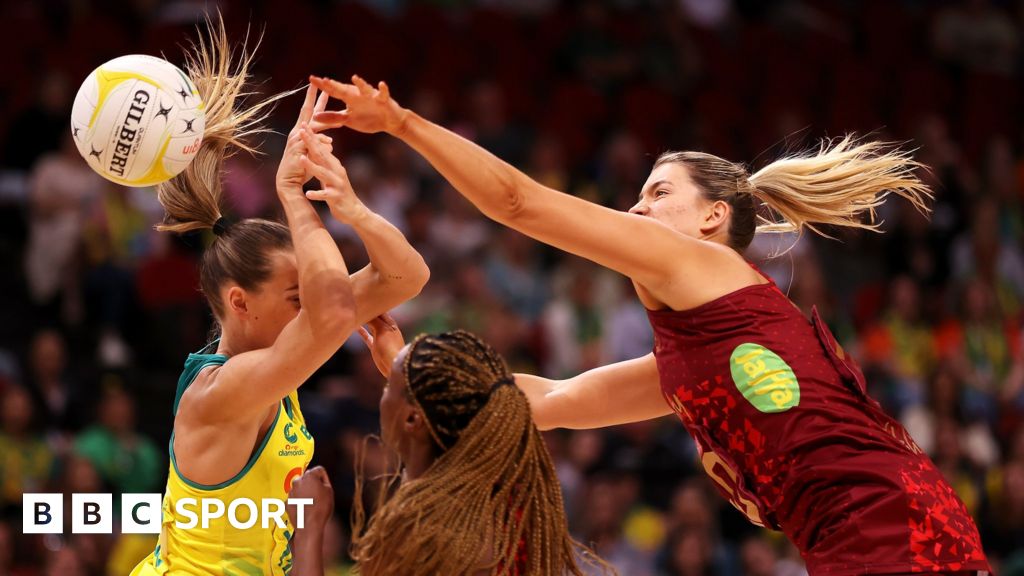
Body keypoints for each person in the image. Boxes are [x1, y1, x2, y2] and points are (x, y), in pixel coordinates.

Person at [309, 74, 991, 575]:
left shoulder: (695, 262)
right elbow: (553, 403)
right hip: (875, 532)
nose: (636, 213)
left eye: (657, 193)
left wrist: (402, 122)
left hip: (887, 532)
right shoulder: (695, 351)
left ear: (712, 219)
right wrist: (410, 365)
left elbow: (519, 203)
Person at [129, 22, 429, 575]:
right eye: (298, 294)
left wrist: (352, 207)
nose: (312, 302)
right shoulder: (222, 391)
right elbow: (336, 309)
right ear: (240, 303)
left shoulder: (288, 344)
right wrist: (293, 195)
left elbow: (406, 278)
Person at [289, 316, 610, 576]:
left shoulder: (423, 525)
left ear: (414, 419)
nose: (381, 390)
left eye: (390, 388)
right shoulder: (500, 496)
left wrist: (307, 528)